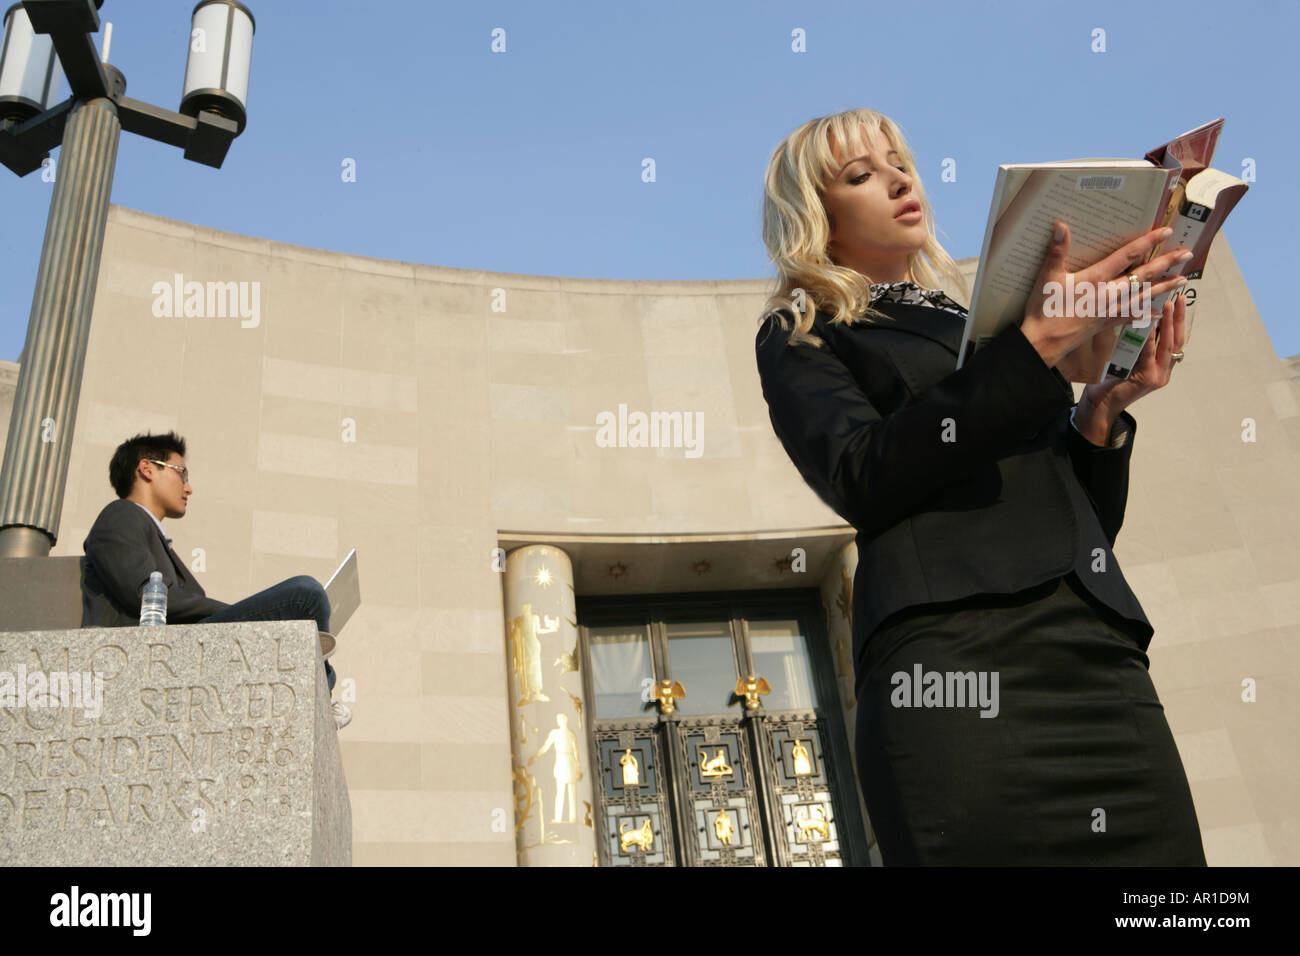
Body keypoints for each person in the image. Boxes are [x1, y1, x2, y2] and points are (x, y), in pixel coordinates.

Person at [754, 108, 1205, 865]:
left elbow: (1071, 524)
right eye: (860, 175)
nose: (897, 177)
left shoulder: (980, 322)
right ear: (817, 219)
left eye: (898, 161)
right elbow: (860, 474)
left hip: (1099, 667)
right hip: (956, 674)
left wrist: (1100, 412)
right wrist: (1033, 351)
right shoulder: (803, 330)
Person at [80, 431, 351, 729]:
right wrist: (235, 617)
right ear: (147, 469)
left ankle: (318, 687)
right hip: (147, 658)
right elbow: (147, 594)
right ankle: (322, 693)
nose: (188, 488)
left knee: (301, 614)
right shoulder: (121, 515)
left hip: (182, 652)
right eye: (181, 473)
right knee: (304, 595)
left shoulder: (155, 538)